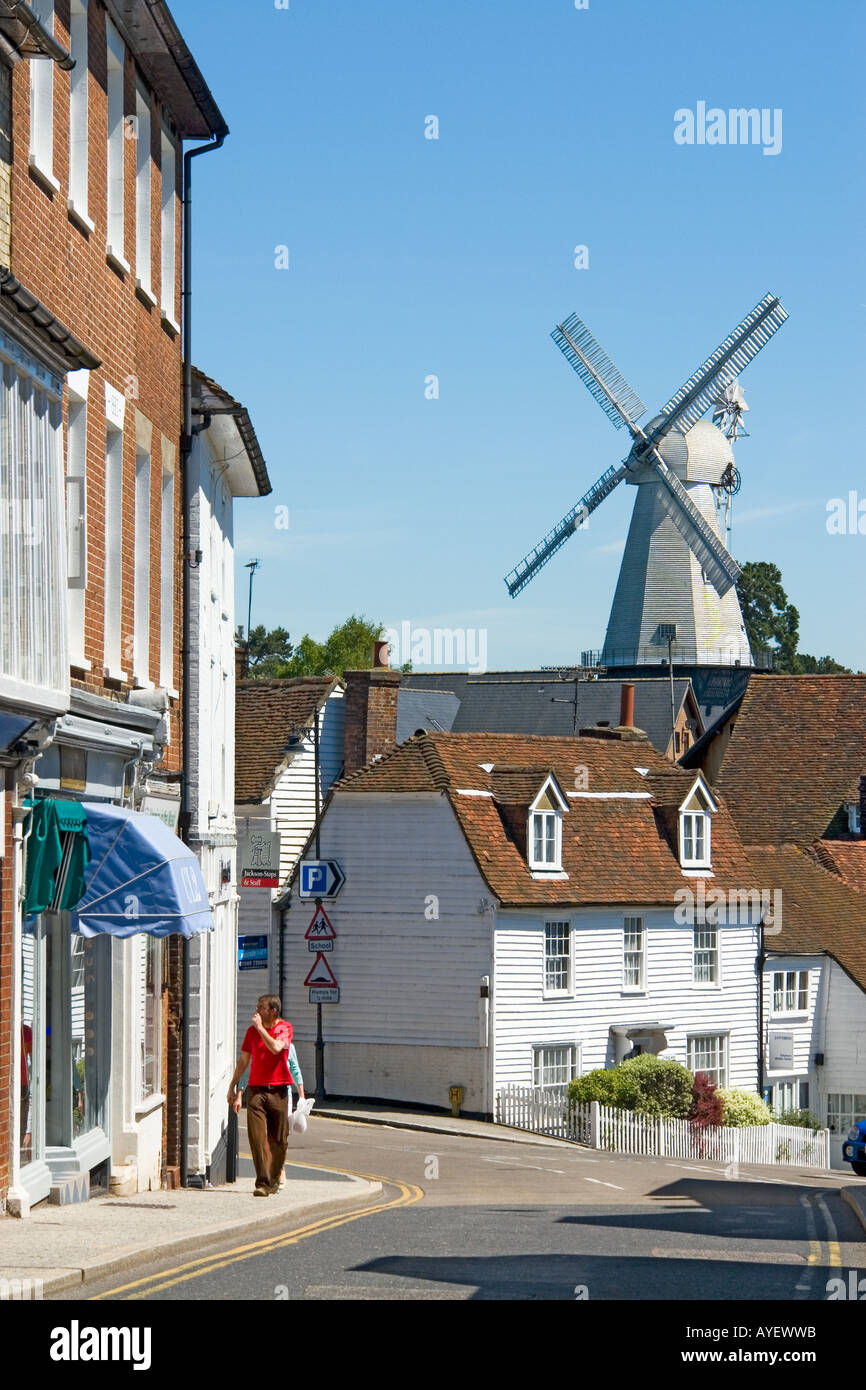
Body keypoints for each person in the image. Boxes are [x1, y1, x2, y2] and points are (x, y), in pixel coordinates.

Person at [227, 995, 293, 1197]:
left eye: (261, 1008)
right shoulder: (251, 1032)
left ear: (273, 1011)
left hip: (279, 1089)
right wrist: (233, 1086)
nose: (256, 1012)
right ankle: (262, 1183)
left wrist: (260, 1029)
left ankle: (274, 1178)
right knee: (257, 1137)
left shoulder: (284, 1028)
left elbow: (275, 1048)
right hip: (256, 1090)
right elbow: (243, 1062)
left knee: (279, 1140)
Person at [279, 1044, 306, 1190]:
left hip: (285, 1095)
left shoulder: (289, 1047)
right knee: (266, 1136)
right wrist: (241, 1090)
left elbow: (295, 1069)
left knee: (281, 1136)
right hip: (264, 1094)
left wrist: (301, 1095)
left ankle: (281, 1170)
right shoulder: (261, 1042)